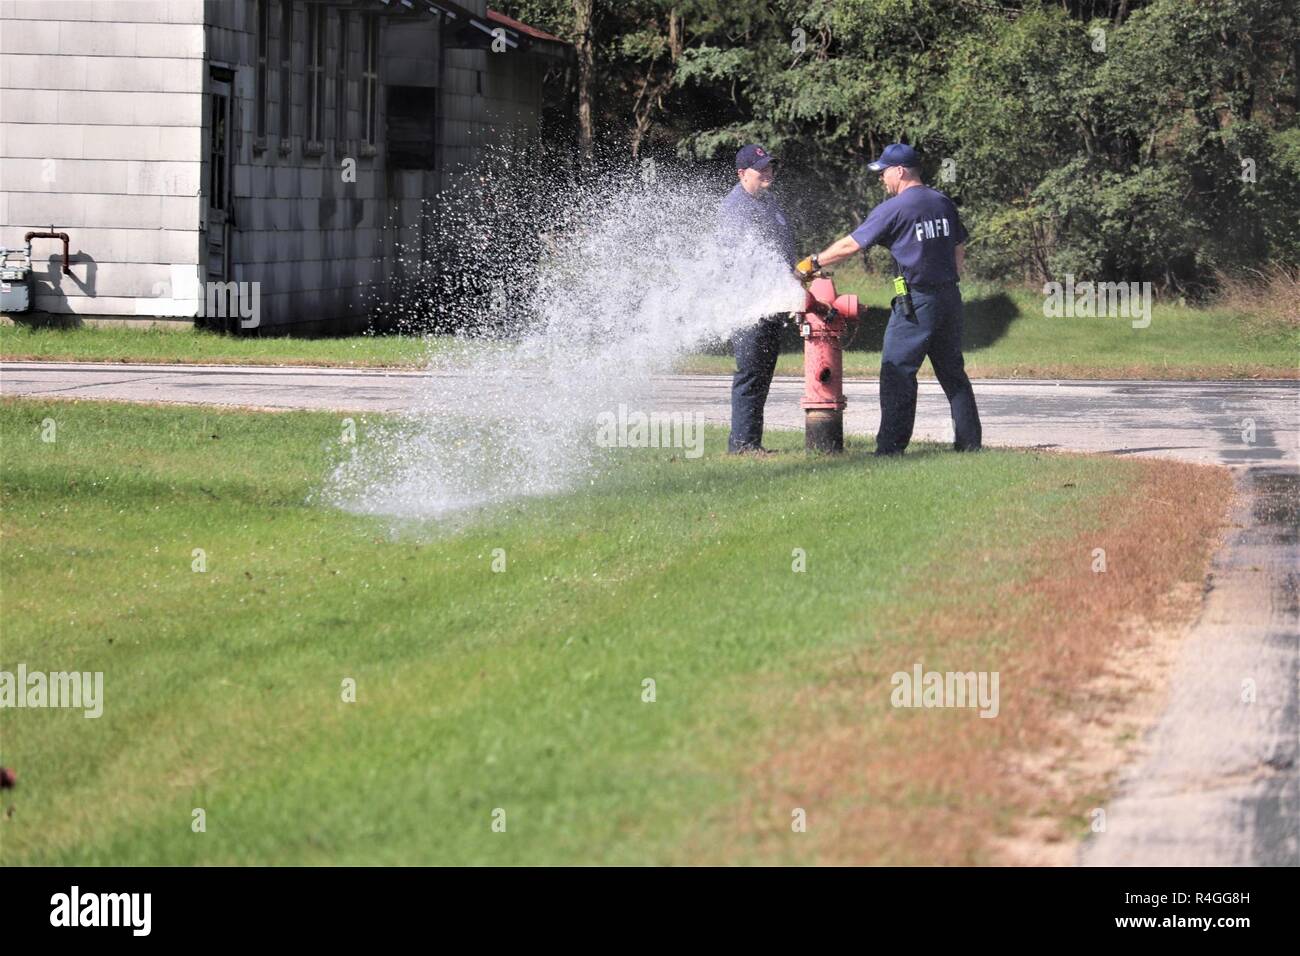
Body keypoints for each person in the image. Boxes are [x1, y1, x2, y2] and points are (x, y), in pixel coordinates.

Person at [797, 143, 982, 455]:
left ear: (900, 171)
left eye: (884, 171)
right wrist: (949, 278)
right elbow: (959, 246)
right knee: (953, 373)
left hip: (916, 304)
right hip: (950, 298)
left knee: (897, 371)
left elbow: (850, 246)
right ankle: (970, 444)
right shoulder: (942, 203)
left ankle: (890, 449)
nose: (882, 178)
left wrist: (813, 262)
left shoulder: (895, 208)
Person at [719, 144, 797, 454]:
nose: (768, 172)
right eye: (761, 168)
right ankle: (742, 444)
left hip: (772, 302)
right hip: (749, 305)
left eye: (770, 167)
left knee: (762, 374)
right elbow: (738, 261)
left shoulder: (768, 203)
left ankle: (750, 441)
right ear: (742, 173)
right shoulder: (735, 208)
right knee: (751, 374)